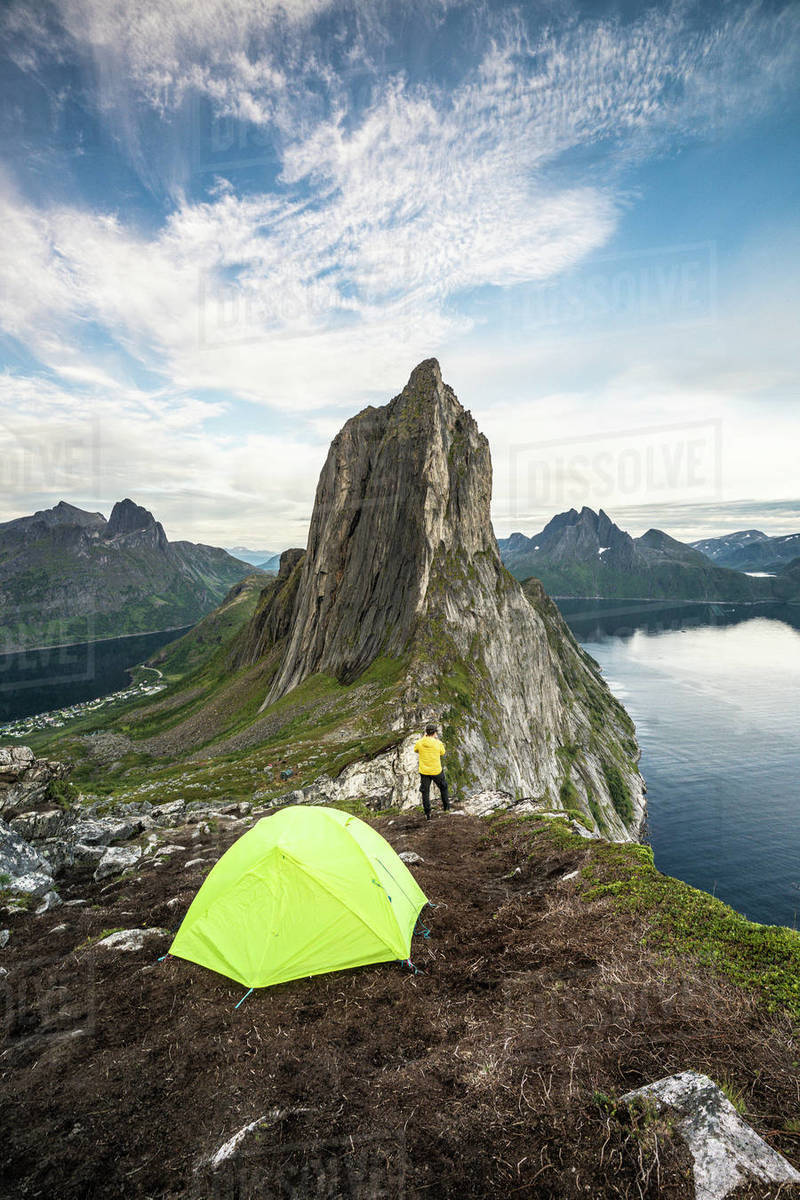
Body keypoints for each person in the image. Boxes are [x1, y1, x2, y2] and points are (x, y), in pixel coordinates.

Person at [413, 723, 450, 819]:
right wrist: (436, 739)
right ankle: (446, 808)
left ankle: (427, 814)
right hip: (436, 770)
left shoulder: (420, 742)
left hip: (424, 771)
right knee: (443, 787)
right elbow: (442, 752)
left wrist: (423, 739)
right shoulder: (438, 743)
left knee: (425, 792)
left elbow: (416, 750)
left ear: (426, 732)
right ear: (434, 733)